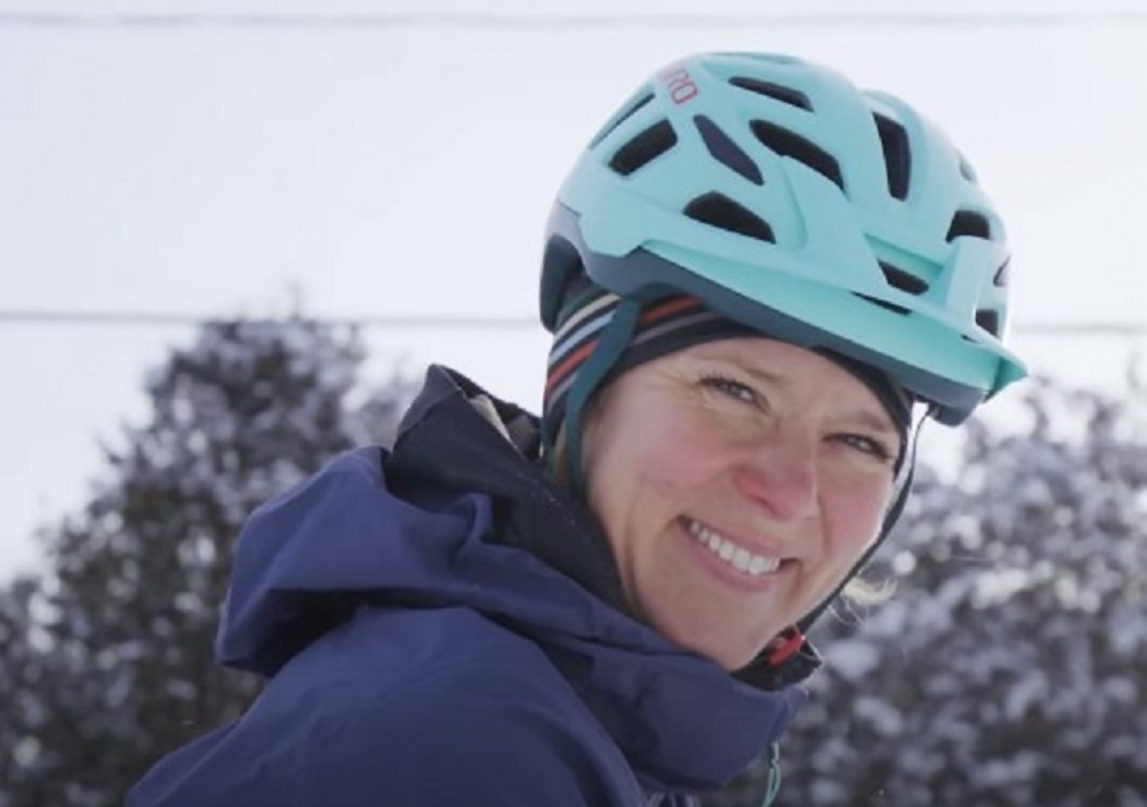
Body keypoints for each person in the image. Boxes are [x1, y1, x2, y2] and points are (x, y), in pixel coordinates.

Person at [127, 51, 1026, 807]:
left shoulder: (563, 727)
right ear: (582, 389)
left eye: (861, 443)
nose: (788, 491)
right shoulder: (446, 748)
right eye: (733, 391)